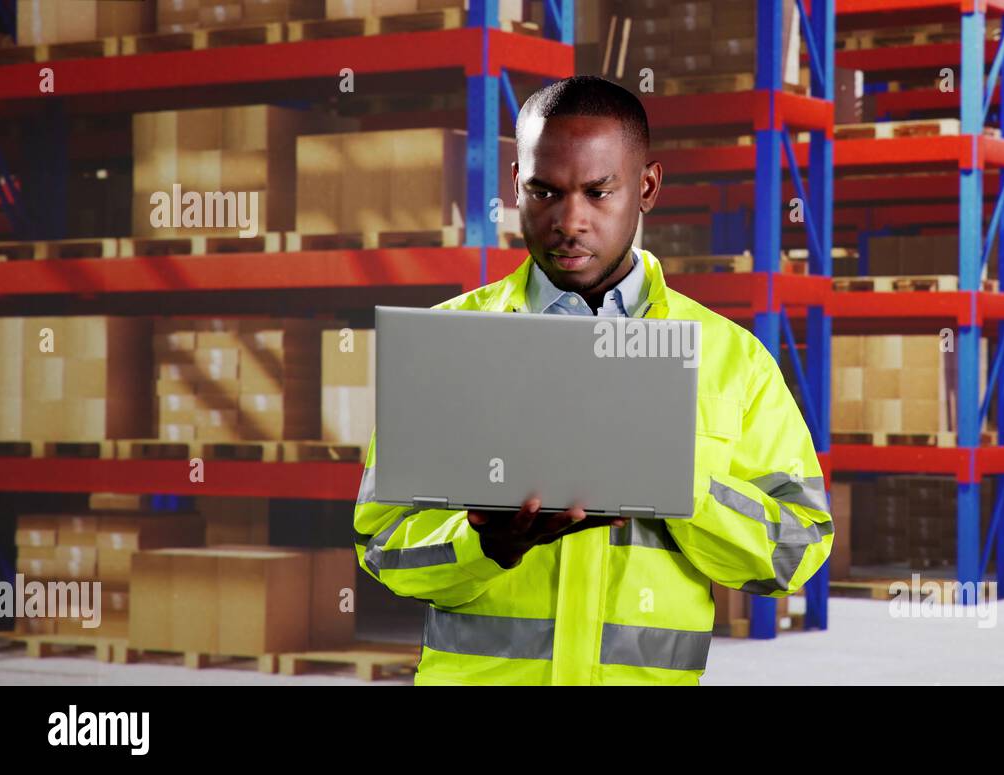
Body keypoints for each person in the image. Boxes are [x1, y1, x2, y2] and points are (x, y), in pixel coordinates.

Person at [354, 76, 832, 685]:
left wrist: (678, 483)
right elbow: (381, 542)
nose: (569, 220)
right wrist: (481, 547)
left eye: (598, 192)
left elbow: (796, 550)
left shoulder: (730, 359)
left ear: (647, 187)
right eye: (544, 191)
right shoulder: (447, 345)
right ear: (516, 184)